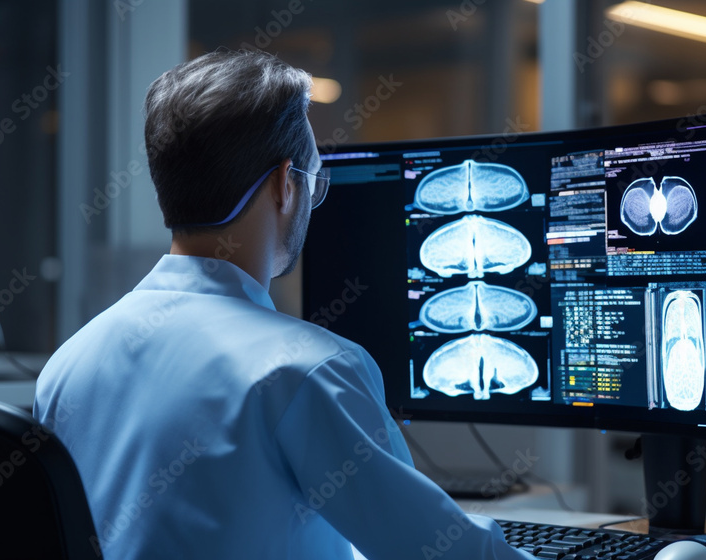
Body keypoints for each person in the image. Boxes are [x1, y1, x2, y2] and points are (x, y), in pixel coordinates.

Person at [34, 50, 532, 560]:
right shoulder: (307, 370)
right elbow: (442, 552)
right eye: (314, 181)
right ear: (284, 184)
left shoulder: (67, 366)